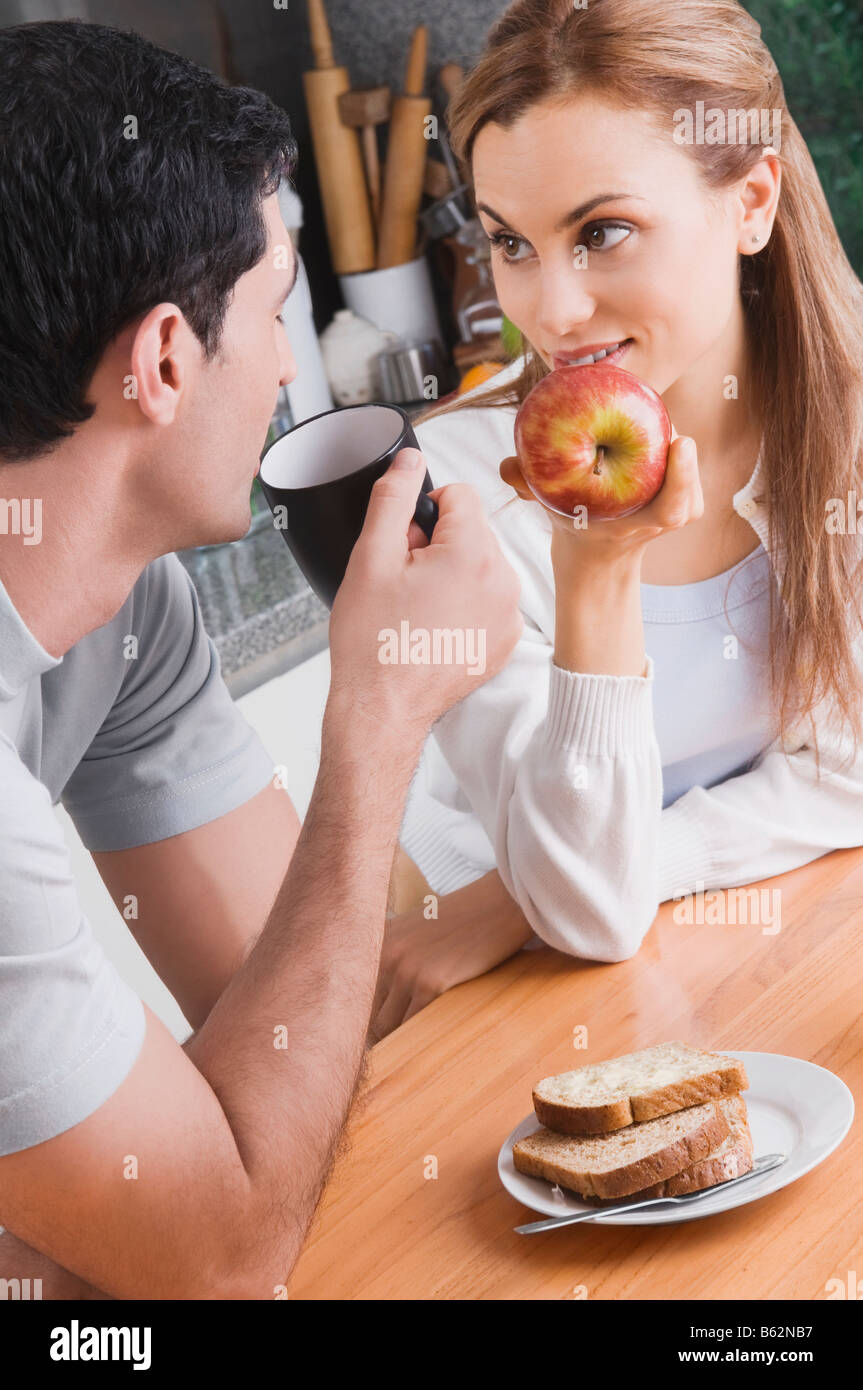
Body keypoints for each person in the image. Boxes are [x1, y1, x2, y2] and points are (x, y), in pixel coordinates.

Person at [0, 20, 523, 1299]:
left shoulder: (126, 609)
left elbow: (291, 1031)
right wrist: (378, 719)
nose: (291, 367)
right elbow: (220, 1260)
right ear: (166, 359)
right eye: (278, 307)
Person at [369, 0, 863, 1040]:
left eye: (601, 233)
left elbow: (849, 772)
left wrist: (620, 870)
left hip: (679, 932)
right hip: (498, 994)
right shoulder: (457, 486)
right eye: (510, 243)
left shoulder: (846, 413)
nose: (548, 312)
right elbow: (590, 912)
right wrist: (593, 575)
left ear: (750, 202)